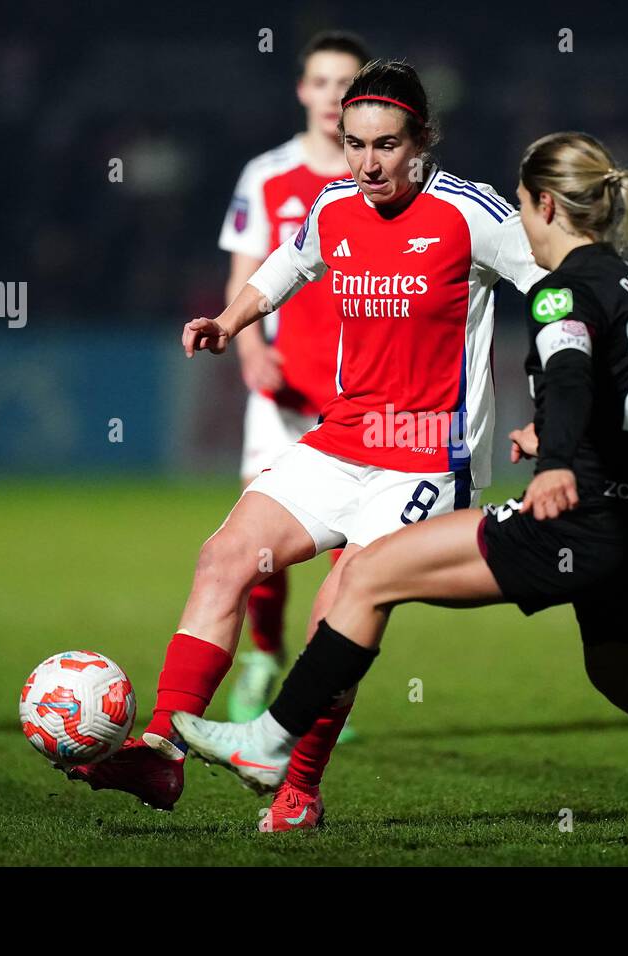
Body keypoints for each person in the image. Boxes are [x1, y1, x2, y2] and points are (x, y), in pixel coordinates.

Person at [70, 63, 628, 833]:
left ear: (424, 140)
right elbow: (289, 262)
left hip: (424, 456)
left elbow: (575, 287)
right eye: (354, 145)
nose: (369, 163)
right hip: (341, 439)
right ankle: (160, 753)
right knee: (222, 559)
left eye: (387, 145)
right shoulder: (337, 203)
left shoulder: (473, 215)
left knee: (336, 608)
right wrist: (232, 318)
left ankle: (299, 789)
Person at [171, 131, 628, 850]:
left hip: (577, 522)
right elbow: (608, 388)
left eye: (521, 205)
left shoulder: (562, 293)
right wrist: (553, 435)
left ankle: (272, 743)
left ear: (546, 205)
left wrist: (553, 459)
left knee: (367, 574)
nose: (514, 219)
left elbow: (570, 374)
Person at [214, 31, 369, 730]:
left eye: (347, 83)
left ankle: (321, 689)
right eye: (322, 81)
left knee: (355, 554)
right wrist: (251, 353)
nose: (334, 95)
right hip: (284, 389)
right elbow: (244, 276)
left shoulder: (382, 176)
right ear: (303, 90)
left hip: (362, 390)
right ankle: (264, 657)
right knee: (260, 543)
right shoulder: (266, 174)